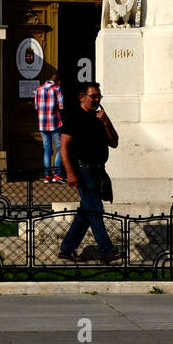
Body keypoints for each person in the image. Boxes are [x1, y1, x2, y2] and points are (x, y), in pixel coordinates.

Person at [57, 82, 120, 264]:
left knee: (87, 211)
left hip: (99, 170)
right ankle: (106, 251)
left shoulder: (99, 118)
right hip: (82, 170)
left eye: (99, 96)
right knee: (95, 209)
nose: (97, 99)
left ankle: (66, 249)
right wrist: (70, 173)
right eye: (93, 96)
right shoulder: (74, 117)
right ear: (82, 97)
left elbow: (114, 142)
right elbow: (64, 147)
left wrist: (107, 122)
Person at [33, 71, 65, 183]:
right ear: (59, 81)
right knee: (60, 148)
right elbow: (61, 106)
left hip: (42, 124)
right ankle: (57, 175)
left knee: (47, 150)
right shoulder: (57, 89)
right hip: (55, 123)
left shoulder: (39, 89)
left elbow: (36, 106)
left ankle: (47, 176)